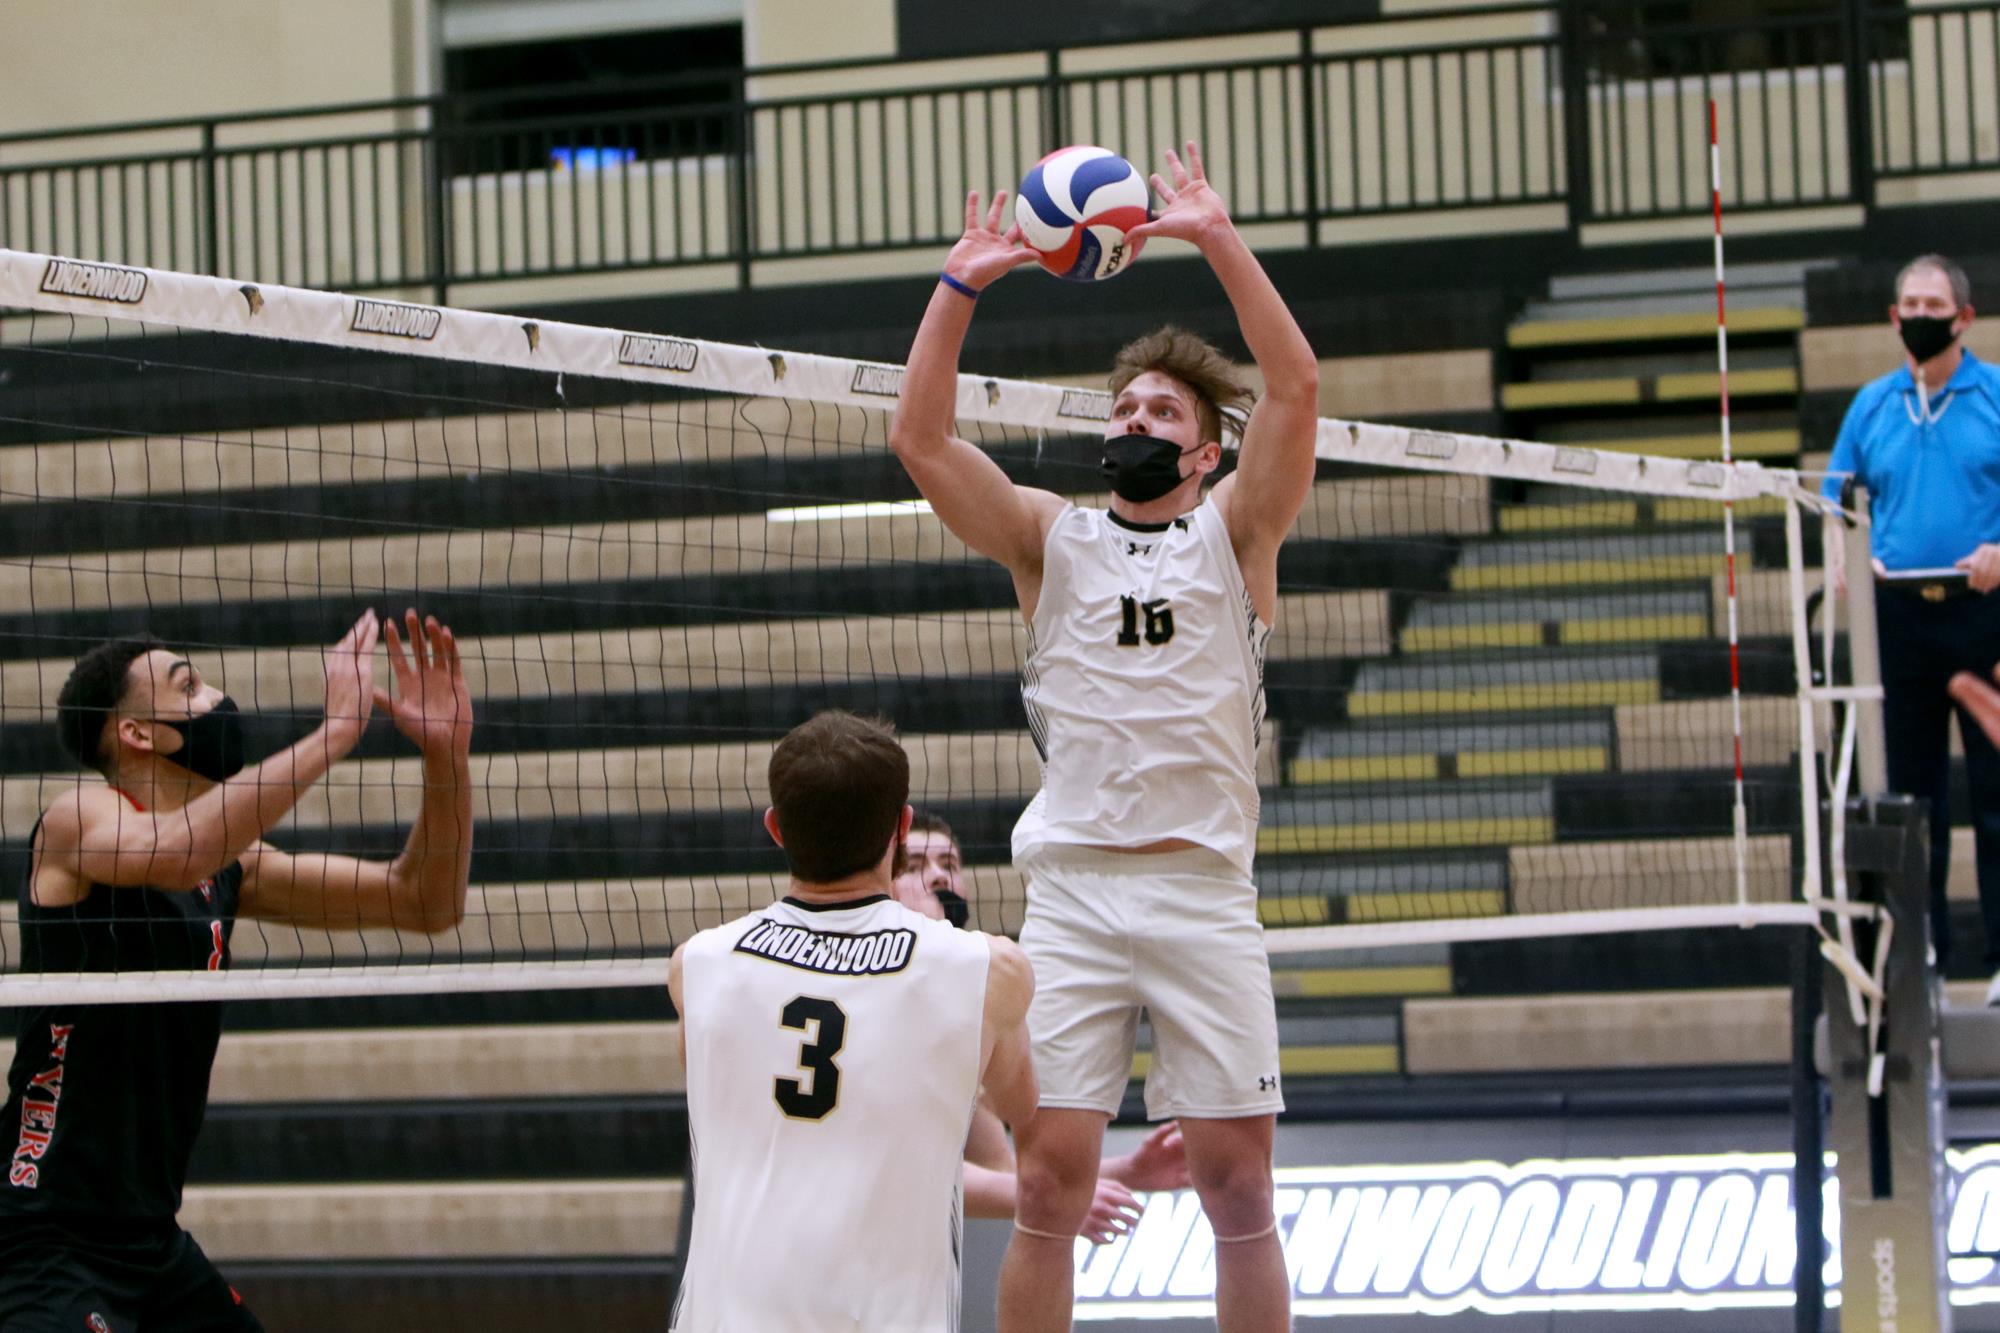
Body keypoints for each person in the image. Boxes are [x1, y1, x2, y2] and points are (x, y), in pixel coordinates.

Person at [889, 141, 1318, 1333]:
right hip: (1072, 894)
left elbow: (1293, 389)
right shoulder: (1049, 537)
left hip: (1201, 886)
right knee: (1047, 1190)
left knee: (1239, 1190)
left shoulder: (1236, 531)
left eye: (1161, 410)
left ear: (1205, 449)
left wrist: (1215, 236)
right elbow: (921, 442)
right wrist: (959, 285)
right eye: (1123, 406)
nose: (1134, 418)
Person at [0, 609, 474, 1332]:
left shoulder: (232, 866)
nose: (219, 699)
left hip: (150, 1242)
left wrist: (446, 757)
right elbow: (172, 853)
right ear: (137, 733)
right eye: (189, 686)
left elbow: (424, 902)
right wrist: (334, 734)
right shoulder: (79, 819)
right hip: (44, 1236)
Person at [668, 711, 1037, 1332]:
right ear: (902, 826)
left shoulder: (696, 967)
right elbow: (1019, 1105)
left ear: (775, 828)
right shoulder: (989, 970)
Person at [891, 812, 1192, 1244]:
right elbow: (903, 1167)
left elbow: (1000, 1170)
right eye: (917, 866)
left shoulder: (973, 994)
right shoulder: (878, 992)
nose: (938, 876)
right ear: (884, 883)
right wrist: (1057, 1199)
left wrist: (1127, 1172)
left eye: (949, 864)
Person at [1823, 254, 2000, 987]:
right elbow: (1832, 502)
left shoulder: (1994, 394)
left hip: (1987, 615)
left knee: (1997, 795)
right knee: (1910, 800)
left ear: (1964, 318)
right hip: (1896, 618)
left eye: (1934, 305)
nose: (1920, 316)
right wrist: (1846, 556)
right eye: (1910, 305)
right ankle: (1920, 960)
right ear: (1894, 318)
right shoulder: (1871, 406)